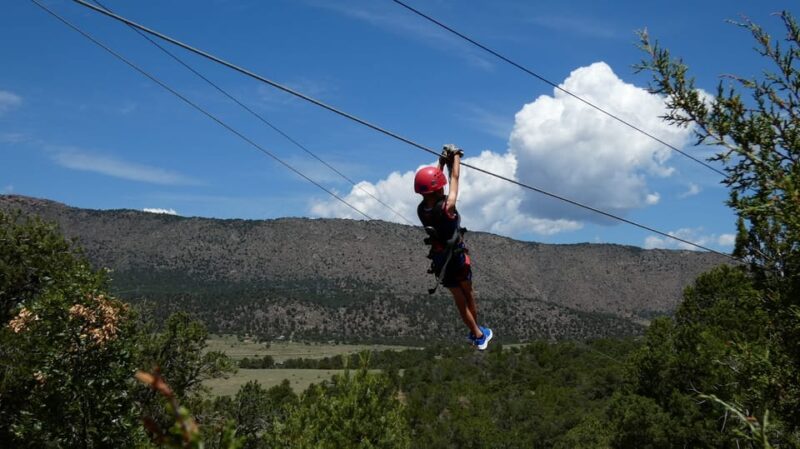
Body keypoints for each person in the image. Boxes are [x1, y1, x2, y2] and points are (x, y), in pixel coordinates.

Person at [414, 144, 493, 350]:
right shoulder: (448, 206)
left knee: (459, 300)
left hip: (441, 261)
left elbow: (434, 183)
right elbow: (454, 179)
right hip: (457, 258)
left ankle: (475, 332)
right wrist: (456, 157)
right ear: (438, 187)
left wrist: (441, 161)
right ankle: (477, 333)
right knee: (468, 295)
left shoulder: (422, 210)